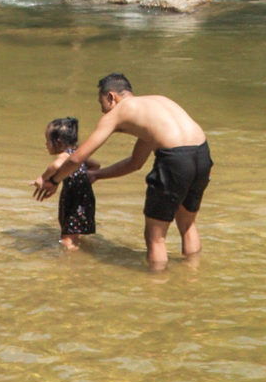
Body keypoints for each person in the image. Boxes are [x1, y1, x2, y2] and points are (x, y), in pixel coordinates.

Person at [34, 73, 212, 271]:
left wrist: (53, 180)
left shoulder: (118, 111)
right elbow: (135, 163)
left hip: (175, 159)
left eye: (101, 104)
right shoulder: (156, 104)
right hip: (202, 154)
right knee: (187, 224)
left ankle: (157, 286)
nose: (103, 112)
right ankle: (192, 274)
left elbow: (77, 157)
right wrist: (97, 175)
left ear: (111, 97)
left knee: (155, 237)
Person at [44, 115, 96, 251]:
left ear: (59, 143)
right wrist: (84, 177)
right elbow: (95, 165)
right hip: (83, 199)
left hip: (73, 200)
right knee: (72, 231)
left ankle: (71, 262)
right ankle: (76, 248)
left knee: (66, 239)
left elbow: (55, 166)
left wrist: (43, 179)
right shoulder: (78, 154)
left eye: (48, 140)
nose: (46, 144)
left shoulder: (65, 155)